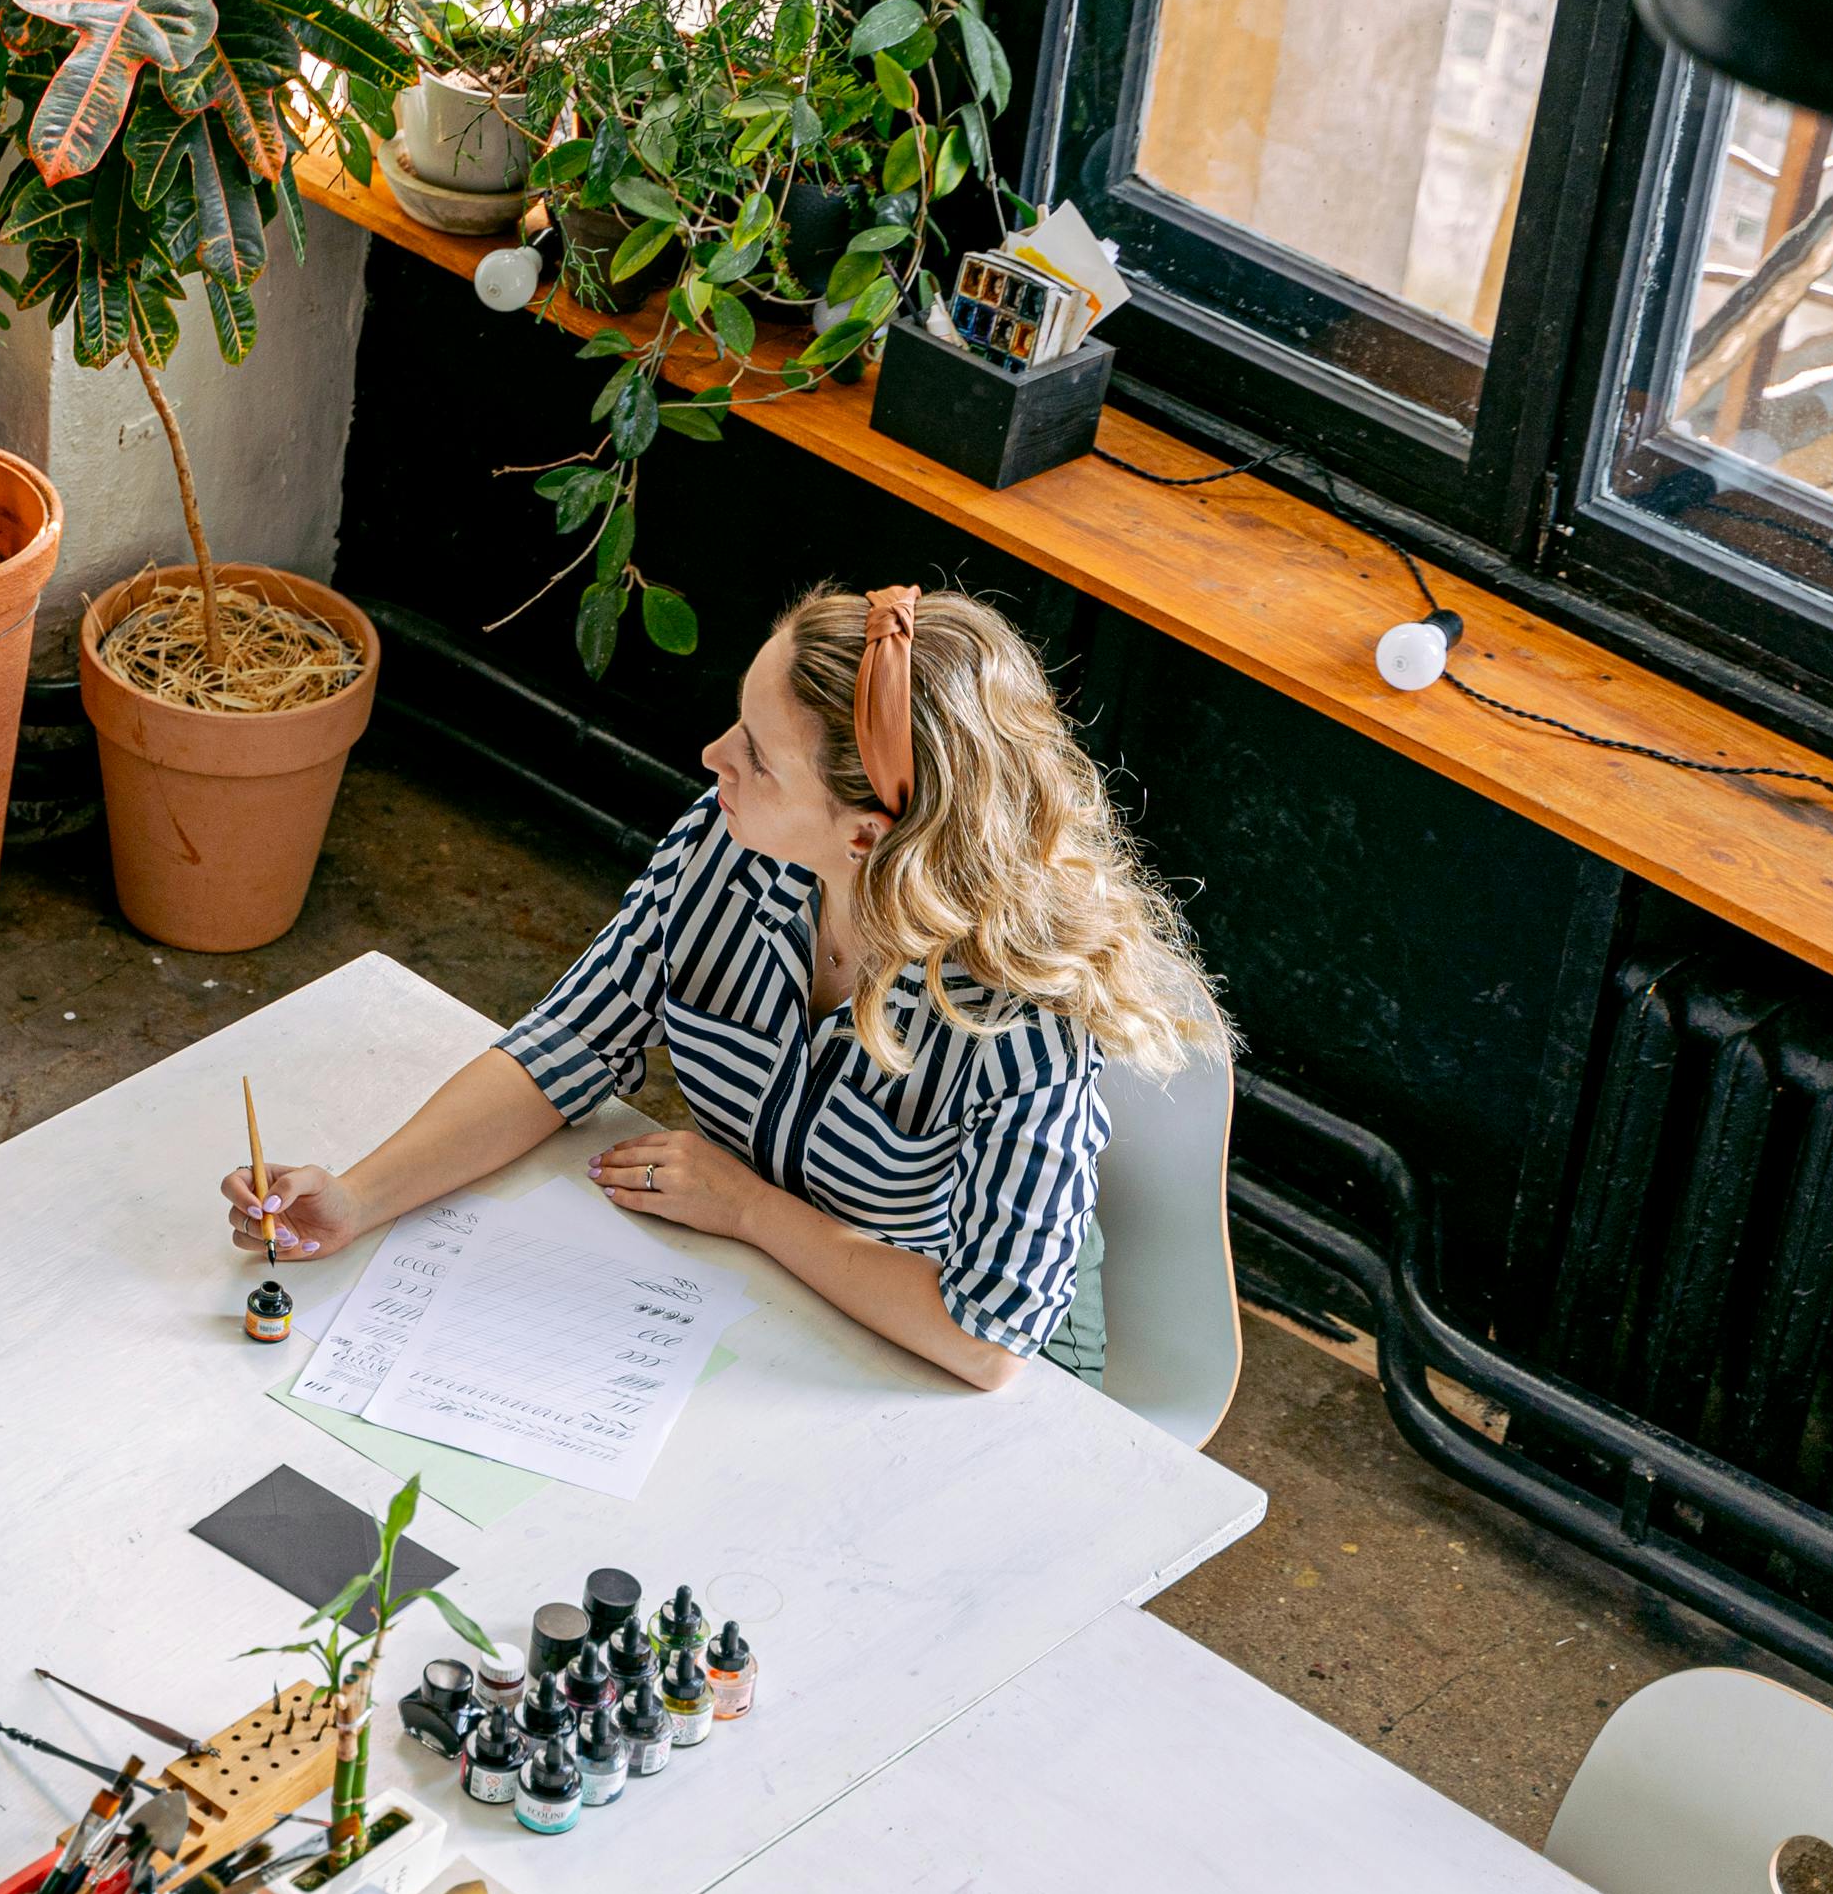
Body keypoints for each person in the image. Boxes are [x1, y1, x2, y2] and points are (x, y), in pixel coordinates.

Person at [223, 584, 1215, 1390]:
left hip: (928, 1347)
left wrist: (749, 1210)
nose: (713, 760)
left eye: (757, 758)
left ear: (865, 836)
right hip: (759, 1293)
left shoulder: (1020, 1020)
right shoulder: (726, 841)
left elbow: (986, 1344)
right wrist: (358, 1196)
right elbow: (565, 1047)